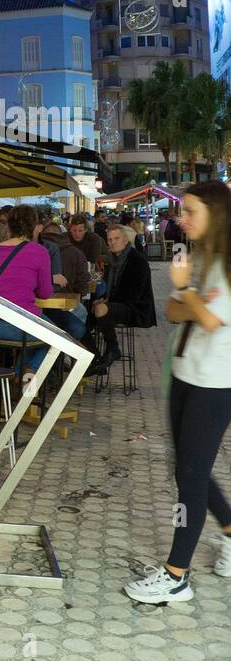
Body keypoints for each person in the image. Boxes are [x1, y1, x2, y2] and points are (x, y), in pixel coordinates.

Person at [125, 181, 231, 603]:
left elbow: (207, 320)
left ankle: (176, 575)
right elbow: (172, 310)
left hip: (217, 382)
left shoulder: (225, 264)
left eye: (190, 211)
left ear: (216, 214)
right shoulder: (198, 256)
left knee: (189, 475)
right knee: (191, 469)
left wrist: (188, 293)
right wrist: (189, 297)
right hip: (184, 374)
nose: (180, 219)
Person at [0, 205, 55, 377]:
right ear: (34, 226)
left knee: (39, 336)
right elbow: (45, 293)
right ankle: (25, 374)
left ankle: (19, 376)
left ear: (10, 225)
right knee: (56, 338)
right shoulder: (39, 251)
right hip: (18, 324)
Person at [85, 223, 156, 376]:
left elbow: (132, 296)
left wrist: (105, 303)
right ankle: (96, 358)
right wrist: (103, 299)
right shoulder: (112, 260)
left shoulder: (137, 260)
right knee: (84, 315)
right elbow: (112, 290)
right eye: (109, 240)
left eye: (116, 238)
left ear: (125, 240)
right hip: (118, 304)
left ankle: (113, 349)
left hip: (136, 308)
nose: (112, 242)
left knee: (100, 309)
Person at [40, 223, 90, 340]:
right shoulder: (76, 252)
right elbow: (83, 285)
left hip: (37, 306)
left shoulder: (35, 248)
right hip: (64, 307)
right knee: (81, 312)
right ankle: (69, 350)